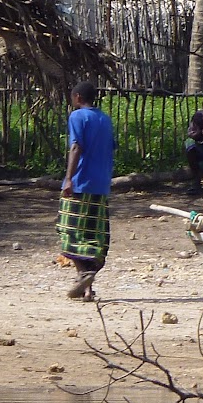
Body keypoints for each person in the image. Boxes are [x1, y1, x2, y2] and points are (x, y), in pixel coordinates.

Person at [58, 81, 116, 302]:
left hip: (81, 182)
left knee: (69, 232)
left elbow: (76, 147)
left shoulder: (77, 117)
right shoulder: (105, 119)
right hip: (101, 184)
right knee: (94, 236)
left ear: (78, 97)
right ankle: (87, 288)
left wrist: (69, 178)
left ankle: (84, 274)